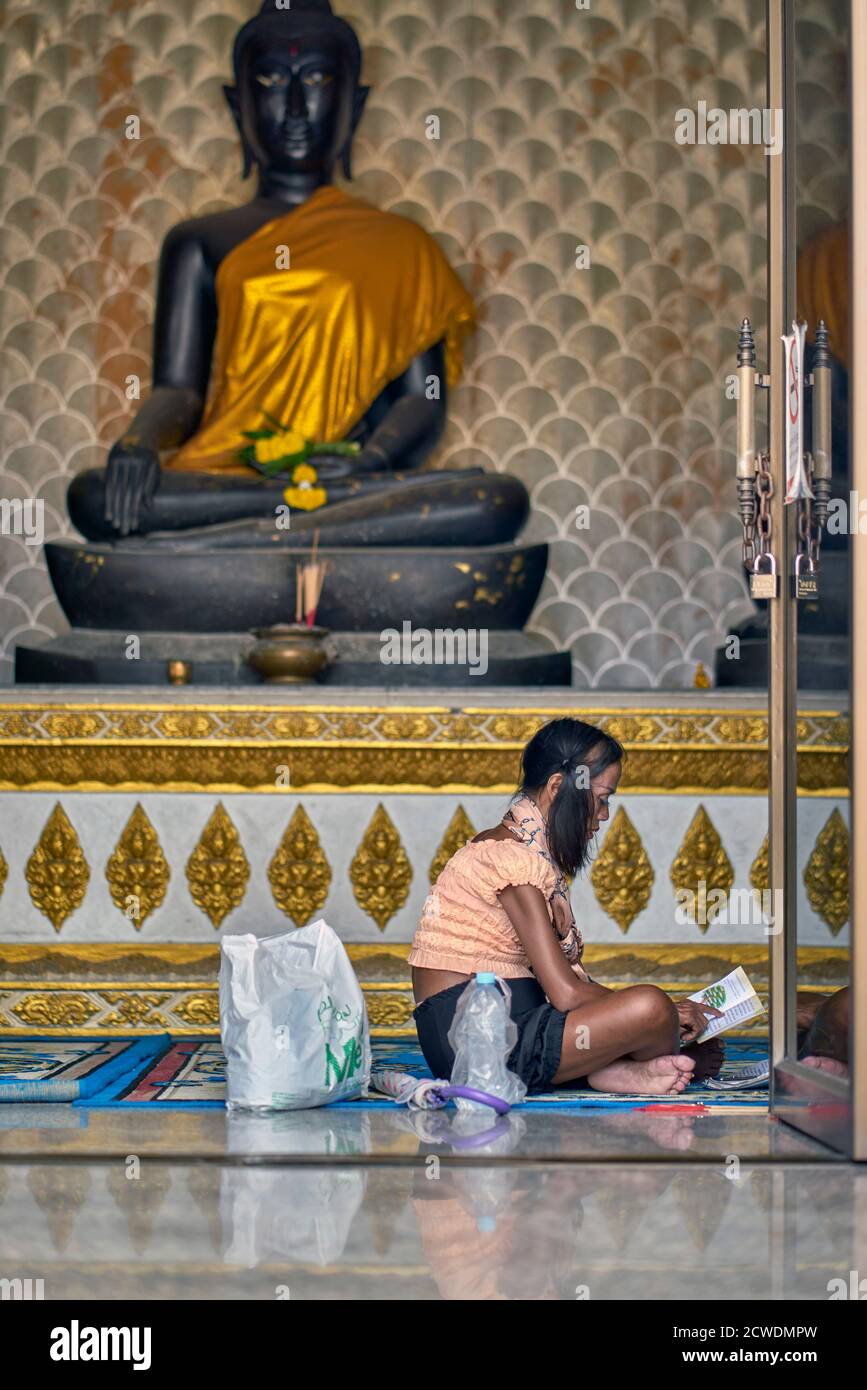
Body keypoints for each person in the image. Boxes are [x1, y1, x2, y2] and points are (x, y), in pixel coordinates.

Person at [409, 717, 723, 1096]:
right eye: (602, 799)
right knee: (652, 1007)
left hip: (519, 1024)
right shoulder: (508, 858)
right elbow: (567, 994)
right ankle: (616, 1068)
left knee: (652, 1013)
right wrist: (667, 1014)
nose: (604, 815)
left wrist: (658, 1021)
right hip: (477, 1045)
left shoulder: (530, 855)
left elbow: (567, 992)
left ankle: (613, 1071)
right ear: (558, 788)